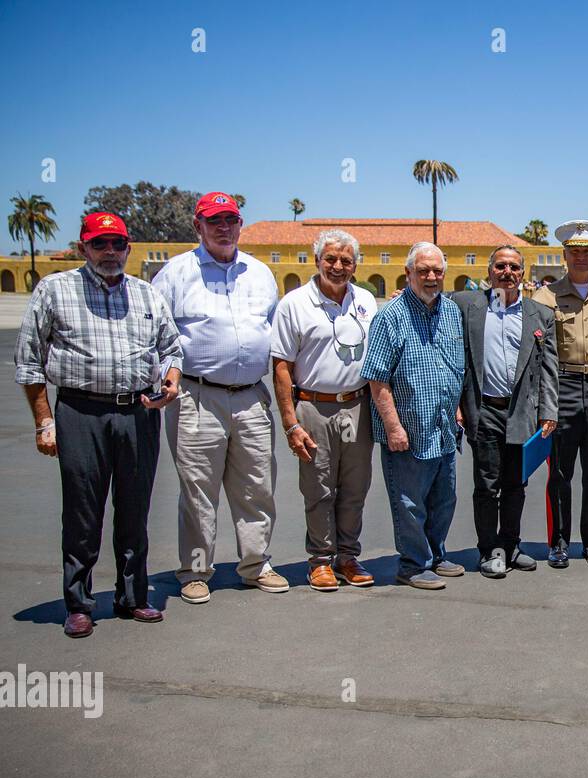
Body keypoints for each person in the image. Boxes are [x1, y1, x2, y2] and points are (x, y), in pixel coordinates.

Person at [14, 212, 183, 636]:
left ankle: (133, 597)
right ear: (82, 248)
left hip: (138, 412)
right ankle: (79, 602)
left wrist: (171, 381)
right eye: (100, 244)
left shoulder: (146, 294)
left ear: (128, 248)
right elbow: (29, 362)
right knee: (82, 510)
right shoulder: (55, 290)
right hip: (80, 412)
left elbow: (172, 349)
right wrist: (44, 422)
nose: (110, 252)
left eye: (118, 244)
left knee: (134, 509)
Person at [151, 192, 285, 604]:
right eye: (214, 221)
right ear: (198, 226)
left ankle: (255, 563)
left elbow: (274, 331)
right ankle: (194, 570)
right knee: (197, 489)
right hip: (196, 395)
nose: (224, 227)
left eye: (230, 219)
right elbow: (154, 336)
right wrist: (162, 380)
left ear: (240, 224)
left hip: (250, 397)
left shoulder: (260, 273)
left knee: (257, 486)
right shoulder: (175, 274)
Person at [271, 229, 377, 592]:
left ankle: (347, 557)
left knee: (355, 487)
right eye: (330, 259)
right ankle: (319, 560)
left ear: (355, 265)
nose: (338, 266)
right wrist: (289, 422)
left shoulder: (365, 300)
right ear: (317, 260)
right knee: (318, 488)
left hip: (358, 405)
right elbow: (282, 366)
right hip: (314, 407)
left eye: (346, 260)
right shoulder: (294, 303)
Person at [360, 243, 465, 591]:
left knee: (444, 499)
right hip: (408, 430)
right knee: (409, 503)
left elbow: (454, 368)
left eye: (437, 271)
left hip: (444, 428)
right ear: (408, 274)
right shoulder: (390, 316)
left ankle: (436, 554)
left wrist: (458, 410)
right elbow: (377, 378)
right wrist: (393, 426)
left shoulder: (451, 312)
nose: (431, 277)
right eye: (423, 271)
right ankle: (411, 564)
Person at [453, 246, 558, 578]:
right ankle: (489, 550)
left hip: (522, 413)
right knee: (487, 483)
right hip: (484, 409)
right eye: (500, 266)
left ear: (523, 274)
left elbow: (549, 369)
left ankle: (511, 545)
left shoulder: (540, 315)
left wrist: (549, 410)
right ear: (489, 272)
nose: (507, 272)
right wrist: (457, 404)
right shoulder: (466, 306)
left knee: (516, 483)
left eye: (514, 267)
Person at [531, 220, 588, 568]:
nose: (581, 258)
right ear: (564, 256)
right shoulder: (544, 297)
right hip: (562, 387)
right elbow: (537, 354)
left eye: (587, 252)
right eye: (574, 252)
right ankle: (559, 542)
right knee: (560, 473)